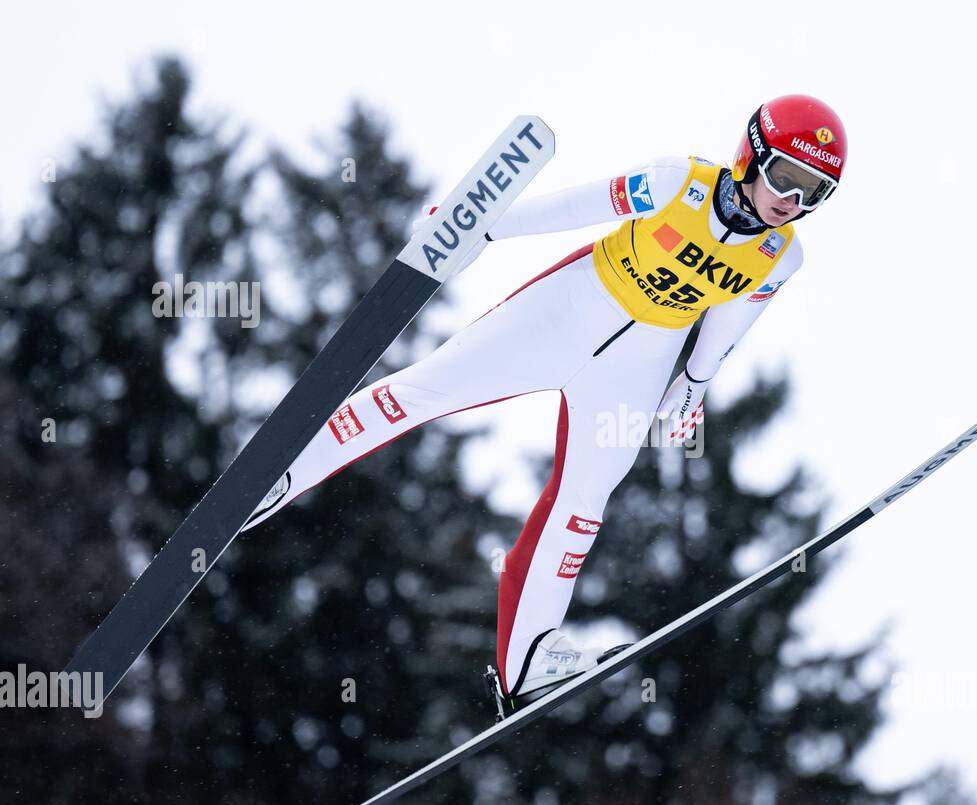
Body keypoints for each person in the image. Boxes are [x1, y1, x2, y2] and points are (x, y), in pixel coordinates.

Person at [241, 94, 848, 715]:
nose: (792, 202)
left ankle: (526, 659)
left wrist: (692, 384)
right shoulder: (679, 184)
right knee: (425, 389)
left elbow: (731, 318)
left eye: (814, 194)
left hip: (636, 363)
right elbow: (575, 208)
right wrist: (480, 225)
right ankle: (278, 474)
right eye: (786, 179)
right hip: (569, 310)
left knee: (584, 503)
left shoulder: (781, 254)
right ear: (752, 154)